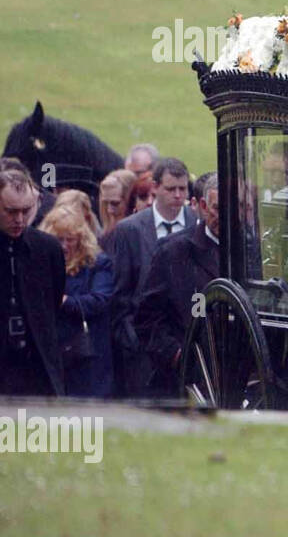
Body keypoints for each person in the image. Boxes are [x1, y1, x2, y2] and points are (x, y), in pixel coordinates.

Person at [104, 156, 196, 397]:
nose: (178, 195)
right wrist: (133, 342)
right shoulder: (130, 230)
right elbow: (120, 294)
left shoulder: (197, 224)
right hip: (142, 350)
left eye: (183, 189)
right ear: (155, 188)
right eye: (171, 189)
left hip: (187, 346)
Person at [136, 172, 219, 389]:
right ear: (203, 205)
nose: (225, 217)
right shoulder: (173, 251)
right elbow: (147, 318)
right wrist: (177, 355)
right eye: (218, 209)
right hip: (185, 380)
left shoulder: (250, 248)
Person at [0, 168, 65, 396]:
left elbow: (53, 302)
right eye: (10, 211)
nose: (19, 219)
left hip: (37, 367)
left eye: (26, 211)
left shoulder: (47, 249)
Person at [39, 204, 114, 398]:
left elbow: (100, 300)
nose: (64, 246)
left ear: (80, 239)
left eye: (69, 240)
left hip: (87, 356)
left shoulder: (97, 263)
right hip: (51, 353)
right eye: (58, 240)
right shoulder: (40, 262)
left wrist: (63, 301)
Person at [98, 168, 140, 236]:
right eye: (105, 203)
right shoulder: (102, 238)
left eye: (115, 203)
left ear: (131, 202)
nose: (109, 210)